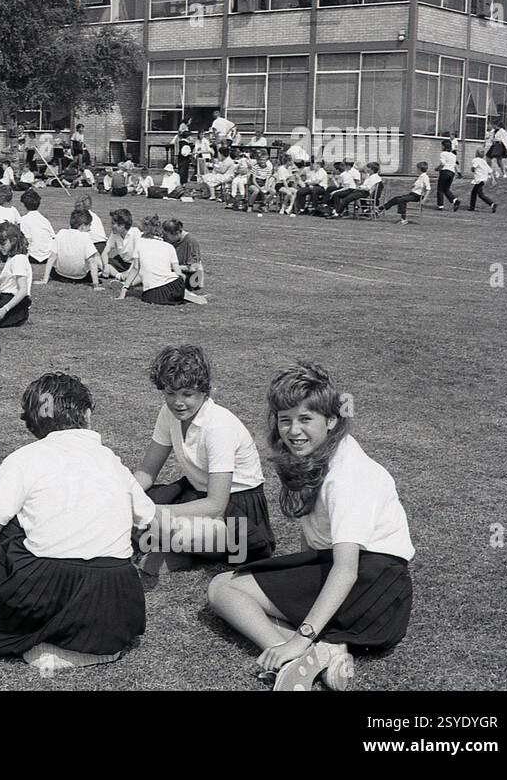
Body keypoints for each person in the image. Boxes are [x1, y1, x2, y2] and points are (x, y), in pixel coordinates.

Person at [208, 362, 414, 692]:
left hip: (371, 587)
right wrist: (296, 589)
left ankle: (295, 653)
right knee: (225, 587)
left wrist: (302, 633)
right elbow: (316, 545)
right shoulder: (317, 457)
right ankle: (325, 653)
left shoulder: (348, 474)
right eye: (285, 419)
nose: (293, 431)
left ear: (331, 420)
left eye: (306, 419)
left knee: (223, 590)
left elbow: (346, 570)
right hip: (357, 582)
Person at [0, 373, 153, 671]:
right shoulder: (111, 460)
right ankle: (96, 638)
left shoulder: (23, 459)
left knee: (9, 528)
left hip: (50, 587)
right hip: (117, 595)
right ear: (87, 414)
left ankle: (41, 631)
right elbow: (148, 520)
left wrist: (2, 591)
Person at [132, 345, 275, 574]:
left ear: (204, 391)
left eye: (187, 394)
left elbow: (216, 504)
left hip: (236, 507)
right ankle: (180, 548)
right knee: (134, 503)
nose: (178, 402)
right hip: (198, 495)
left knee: (171, 527)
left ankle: (181, 548)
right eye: (170, 393)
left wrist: (156, 513)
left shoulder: (218, 425)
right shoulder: (168, 413)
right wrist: (122, 498)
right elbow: (148, 471)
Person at [116, 216, 205, 305]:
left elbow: (136, 268)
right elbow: (179, 275)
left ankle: (127, 282)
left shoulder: (140, 243)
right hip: (174, 284)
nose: (165, 237)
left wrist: (124, 290)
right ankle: (185, 294)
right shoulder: (169, 246)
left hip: (154, 293)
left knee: (148, 272)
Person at [38, 208, 104, 289]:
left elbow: (52, 258)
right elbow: (92, 262)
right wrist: (96, 285)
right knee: (95, 270)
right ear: (83, 226)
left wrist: (45, 279)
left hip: (60, 274)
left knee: (53, 270)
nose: (90, 229)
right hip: (80, 277)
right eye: (89, 225)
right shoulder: (85, 236)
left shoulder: (61, 233)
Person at [161, 218, 203, 293]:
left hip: (187, 275)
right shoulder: (165, 239)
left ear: (177, 233)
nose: (165, 237)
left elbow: (194, 267)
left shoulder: (191, 241)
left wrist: (173, 266)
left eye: (167, 235)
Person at [16, 189, 55, 265]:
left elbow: (26, 240)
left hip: (33, 255)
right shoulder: (44, 220)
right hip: (47, 255)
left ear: (24, 205)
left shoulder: (24, 220)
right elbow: (52, 236)